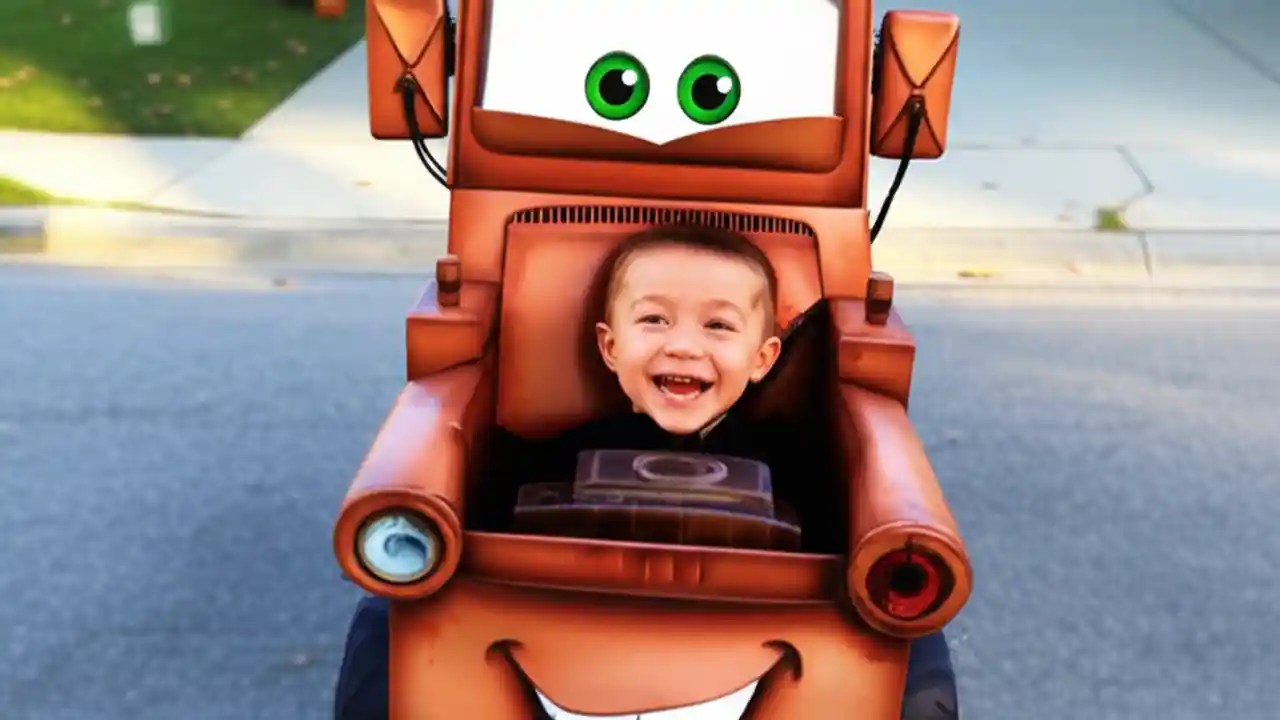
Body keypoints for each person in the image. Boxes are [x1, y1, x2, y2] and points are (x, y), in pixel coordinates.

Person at [334, 224, 960, 720]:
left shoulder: (802, 470)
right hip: (560, 647)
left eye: (718, 326)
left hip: (767, 657)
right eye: (655, 320)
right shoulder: (543, 457)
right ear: (610, 347)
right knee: (388, 611)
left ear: (765, 355)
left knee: (907, 628)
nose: (683, 345)